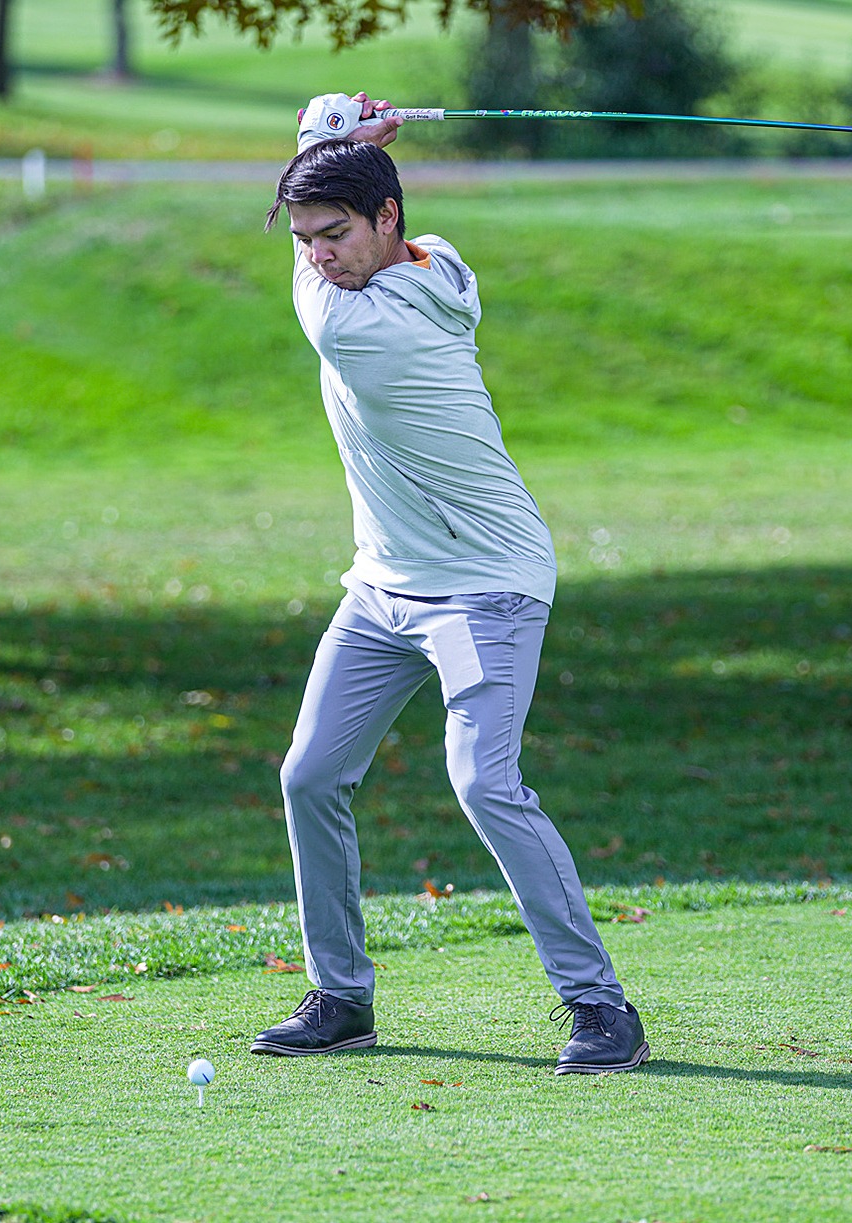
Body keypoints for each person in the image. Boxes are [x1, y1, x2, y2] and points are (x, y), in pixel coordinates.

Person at [248, 92, 647, 1075]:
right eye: (301, 239)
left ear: (385, 219)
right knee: (309, 773)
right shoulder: (440, 256)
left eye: (331, 234)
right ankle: (340, 994)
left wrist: (326, 133)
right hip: (383, 589)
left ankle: (601, 1007)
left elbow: (325, 271)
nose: (314, 256)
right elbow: (344, 211)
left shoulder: (354, 327)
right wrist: (341, 152)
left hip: (482, 588)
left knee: (483, 781)